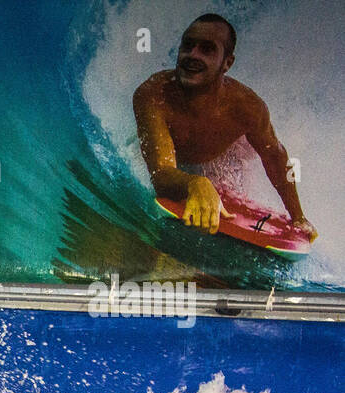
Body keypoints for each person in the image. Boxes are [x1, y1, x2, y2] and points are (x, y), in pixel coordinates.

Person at [132, 13, 316, 239]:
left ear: (227, 63)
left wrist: (298, 216)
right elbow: (160, 174)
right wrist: (196, 183)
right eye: (187, 46)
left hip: (224, 157)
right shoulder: (153, 95)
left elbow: (275, 158)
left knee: (236, 170)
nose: (193, 55)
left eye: (207, 49)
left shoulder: (247, 106)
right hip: (175, 161)